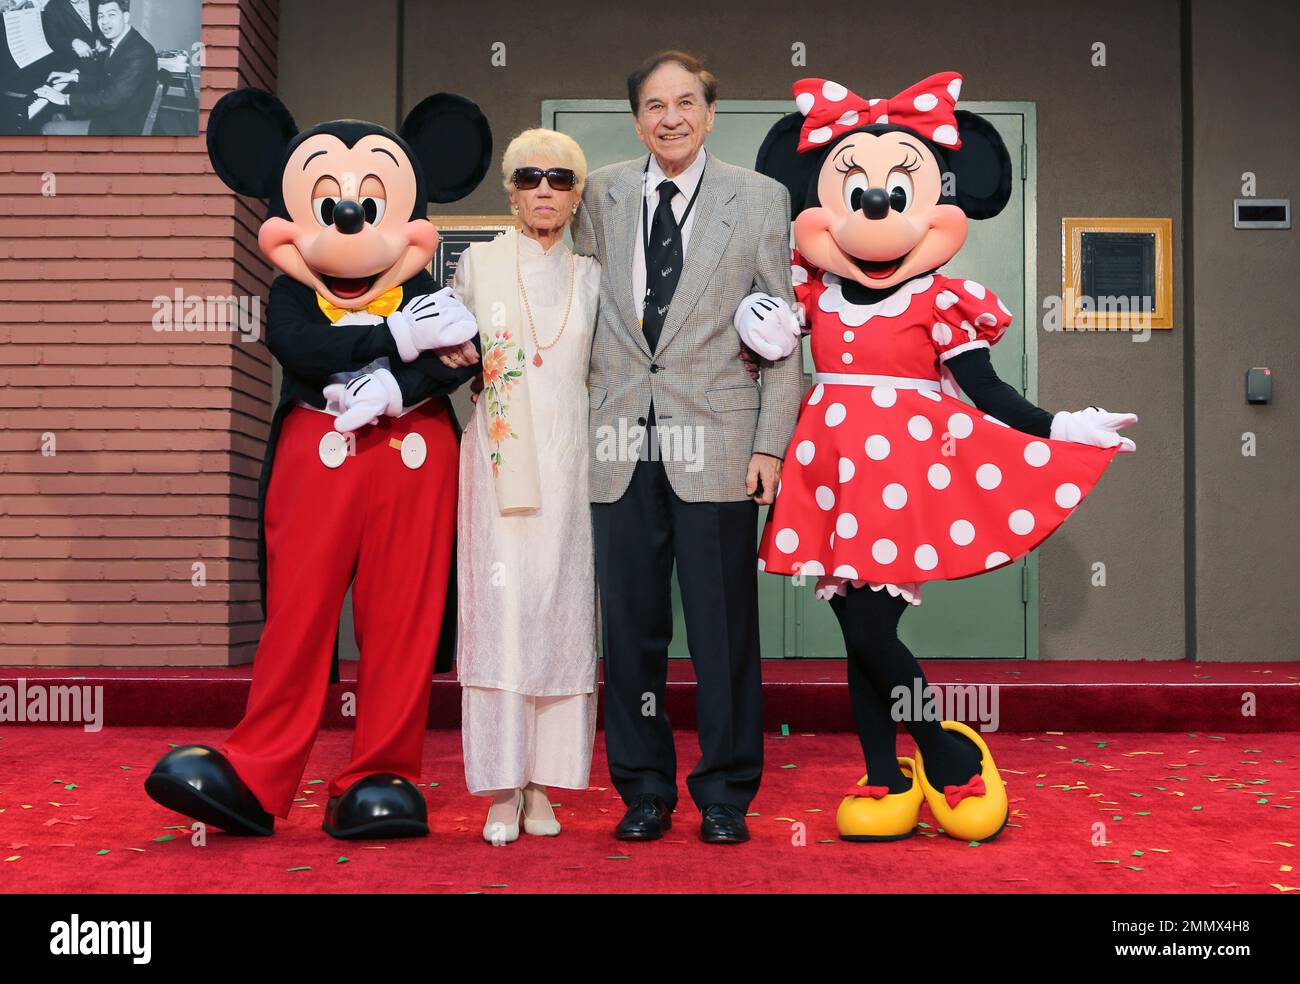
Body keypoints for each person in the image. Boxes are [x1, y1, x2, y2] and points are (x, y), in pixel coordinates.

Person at [750, 72, 1138, 844]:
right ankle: (884, 774)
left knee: (870, 634)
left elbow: (987, 390)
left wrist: (1062, 427)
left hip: (902, 482)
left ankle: (943, 751)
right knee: (854, 638)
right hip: (831, 477)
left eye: (897, 187)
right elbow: (769, 360)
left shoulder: (940, 299)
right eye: (853, 186)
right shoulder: (812, 292)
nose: (875, 204)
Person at [573, 50, 803, 844]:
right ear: (636, 118)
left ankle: (727, 794)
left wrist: (771, 446)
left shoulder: (762, 197)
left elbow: (783, 333)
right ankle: (642, 789)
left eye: (684, 103)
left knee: (723, 629)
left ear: (709, 112)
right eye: (652, 106)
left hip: (720, 439)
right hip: (618, 437)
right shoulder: (598, 193)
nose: (668, 118)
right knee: (630, 630)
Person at [440, 129, 601, 845]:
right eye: (530, 177)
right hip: (499, 464)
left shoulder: (595, 276)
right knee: (502, 618)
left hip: (573, 465)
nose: (544, 189)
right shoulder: (476, 265)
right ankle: (503, 789)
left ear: (576, 195)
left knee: (559, 615)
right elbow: (442, 347)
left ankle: (544, 785)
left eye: (560, 179)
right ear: (509, 189)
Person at [37, 0, 155, 136]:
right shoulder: (122, 43)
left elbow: (111, 99)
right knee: (57, 117)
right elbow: (108, 81)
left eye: (111, 15)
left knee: (47, 129)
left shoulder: (139, 53)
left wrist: (65, 98)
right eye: (100, 16)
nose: (104, 21)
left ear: (126, 17)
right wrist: (75, 77)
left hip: (120, 127)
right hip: (116, 115)